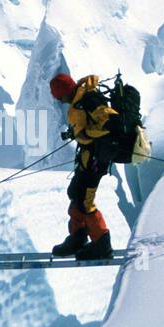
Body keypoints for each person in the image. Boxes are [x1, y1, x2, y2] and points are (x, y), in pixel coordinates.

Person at [48, 72, 117, 259]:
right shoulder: (80, 100)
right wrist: (78, 133)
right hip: (88, 157)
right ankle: (78, 238)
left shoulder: (89, 98)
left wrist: (86, 133)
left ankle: (102, 243)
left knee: (86, 201)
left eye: (60, 97)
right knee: (75, 193)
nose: (61, 101)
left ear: (66, 91)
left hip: (97, 158)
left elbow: (110, 122)